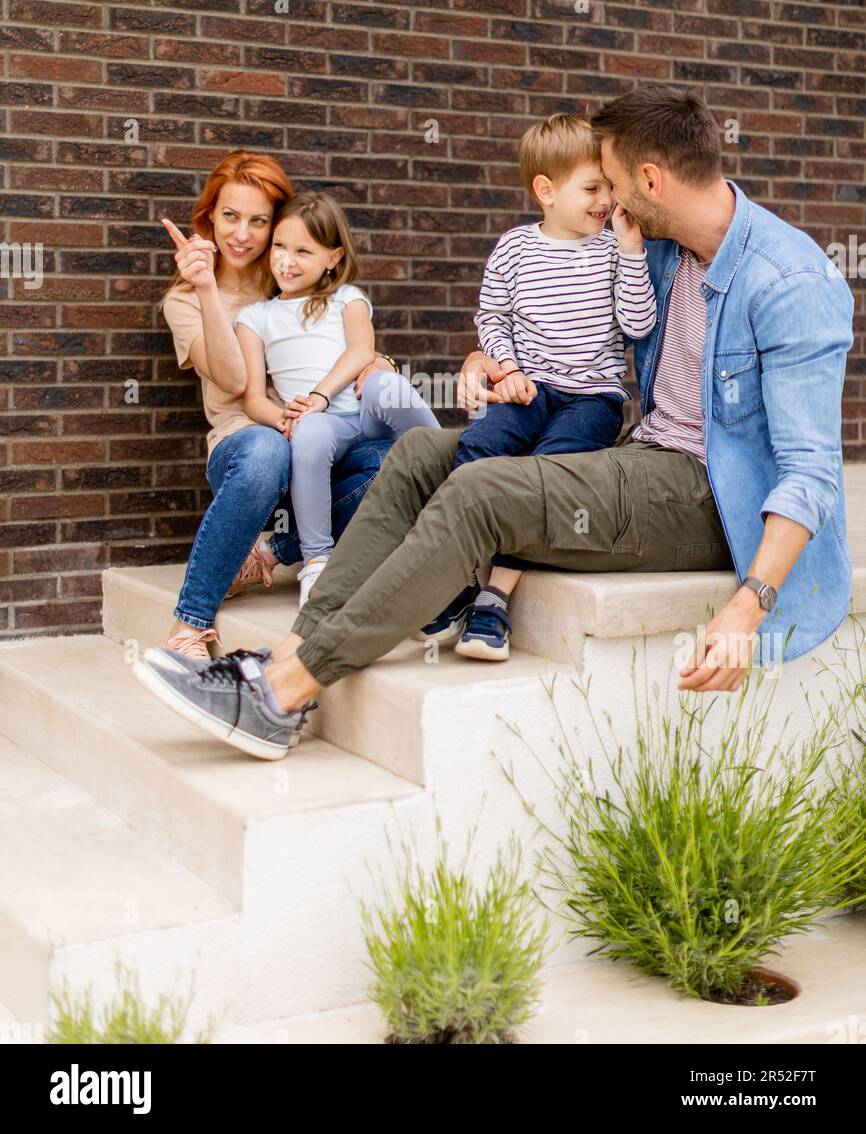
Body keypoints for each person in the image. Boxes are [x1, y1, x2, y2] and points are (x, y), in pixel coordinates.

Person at [134, 86, 854, 760]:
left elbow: (811, 474)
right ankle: (291, 653)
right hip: (641, 453)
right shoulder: (658, 246)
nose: (602, 204)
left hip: (712, 497)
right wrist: (486, 356)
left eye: (608, 183)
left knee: (483, 491)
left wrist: (747, 606)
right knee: (418, 454)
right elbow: (551, 308)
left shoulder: (788, 282)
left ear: (651, 180)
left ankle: (283, 694)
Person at [421, 112, 656, 663]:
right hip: (528, 388)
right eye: (592, 188)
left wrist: (630, 252)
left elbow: (640, 325)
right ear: (546, 191)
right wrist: (506, 367)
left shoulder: (614, 250)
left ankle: (494, 599)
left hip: (592, 397)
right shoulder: (514, 249)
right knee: (477, 450)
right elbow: (493, 317)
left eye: (608, 187)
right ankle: (453, 575)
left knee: (550, 475)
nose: (605, 200)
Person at [159, 151, 399, 658]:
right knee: (269, 448)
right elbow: (233, 378)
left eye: (258, 221)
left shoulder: (289, 274)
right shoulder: (185, 300)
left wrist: (382, 365)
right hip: (247, 449)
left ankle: (267, 551)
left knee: (390, 464)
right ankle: (190, 625)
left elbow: (351, 341)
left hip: (320, 444)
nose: (242, 234)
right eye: (230, 217)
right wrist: (206, 289)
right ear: (208, 219)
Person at [235, 190, 439, 607]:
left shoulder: (347, 298)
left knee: (386, 384)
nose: (285, 261)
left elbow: (362, 351)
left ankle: (453, 469)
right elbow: (253, 396)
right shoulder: (255, 318)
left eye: (302, 251)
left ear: (332, 258)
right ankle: (315, 562)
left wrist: (319, 396)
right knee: (308, 431)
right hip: (324, 427)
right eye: (279, 246)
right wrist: (284, 418)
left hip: (362, 411)